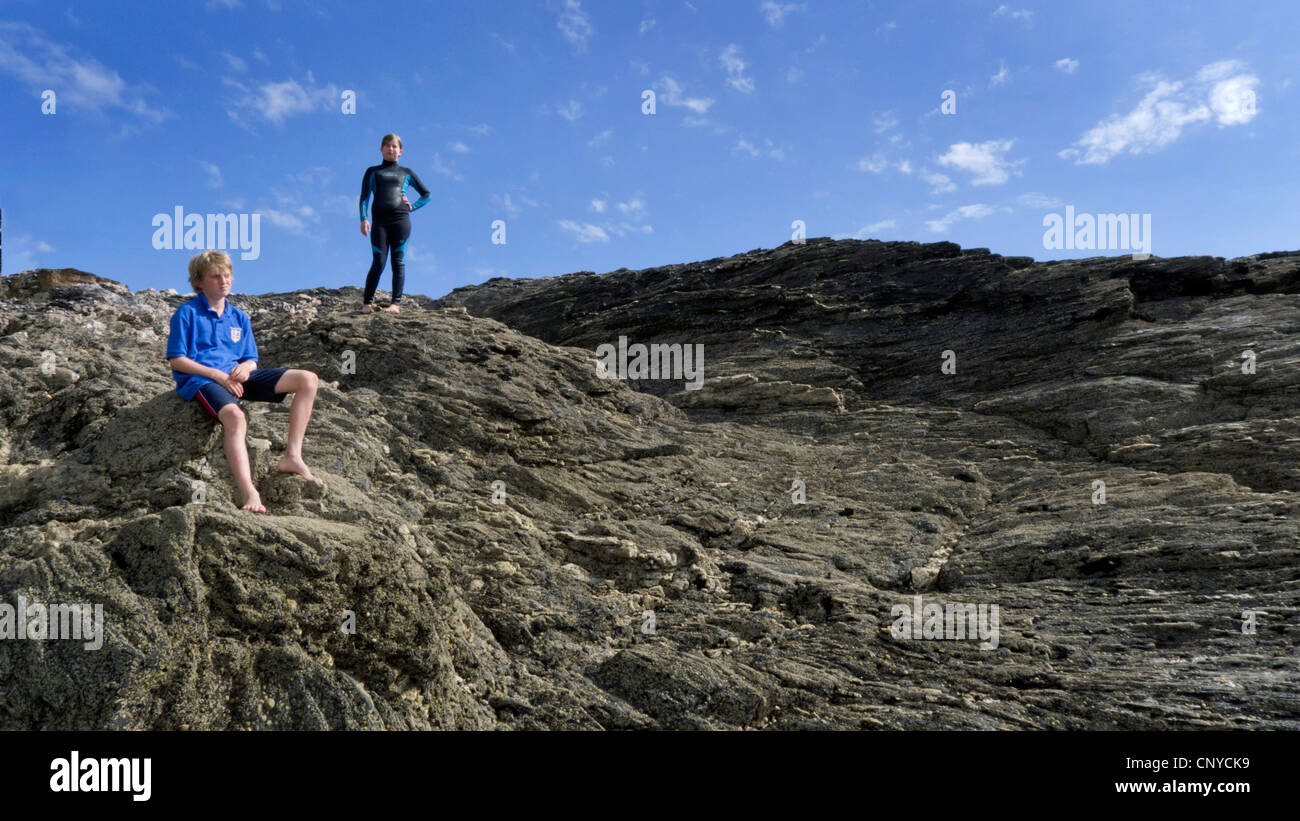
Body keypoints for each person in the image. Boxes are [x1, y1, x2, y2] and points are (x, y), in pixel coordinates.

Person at [165, 250, 319, 513]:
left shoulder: (239, 317)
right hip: (202, 380)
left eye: (227, 275)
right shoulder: (186, 313)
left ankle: (292, 456)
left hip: (236, 378)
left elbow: (251, 358)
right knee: (236, 418)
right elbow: (177, 359)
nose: (224, 281)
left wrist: (246, 369)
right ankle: (249, 491)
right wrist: (219, 376)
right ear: (199, 281)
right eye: (215, 276)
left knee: (307, 379)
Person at [358, 133, 430, 314]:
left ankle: (395, 305)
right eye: (387, 146)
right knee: (378, 262)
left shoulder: (406, 173)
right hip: (379, 223)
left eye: (394, 146)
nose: (391, 149)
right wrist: (363, 218)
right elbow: (364, 197)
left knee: (398, 262)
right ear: (381, 149)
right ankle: (367, 304)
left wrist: (413, 207)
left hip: (400, 221)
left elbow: (426, 194)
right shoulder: (372, 172)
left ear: (400, 151)